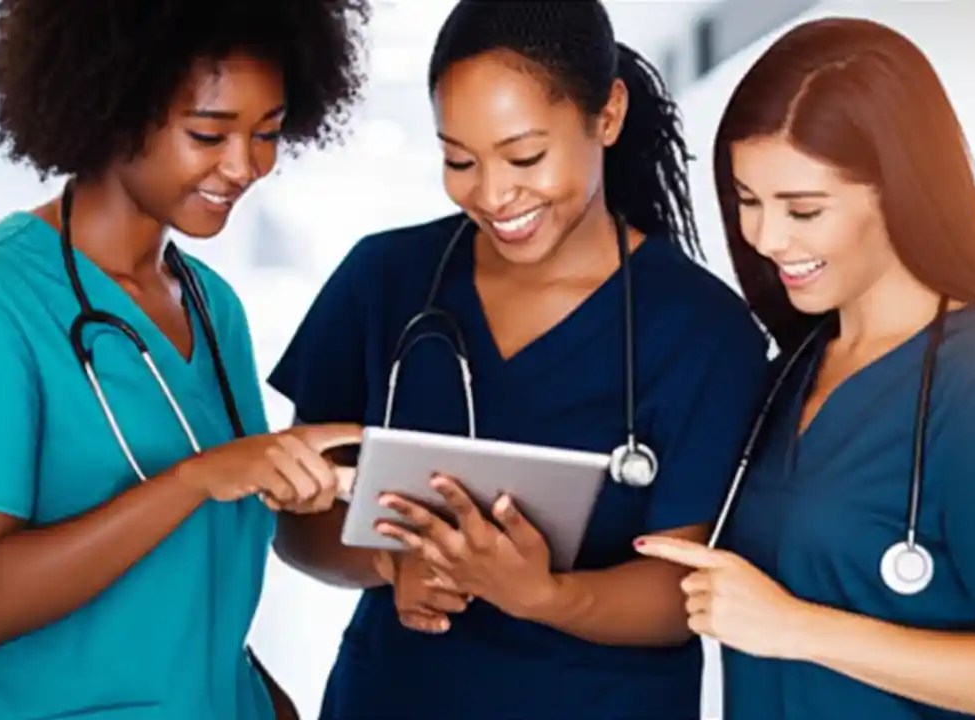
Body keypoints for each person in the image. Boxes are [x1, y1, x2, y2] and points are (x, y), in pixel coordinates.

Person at [266, 2, 768, 718]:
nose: (494, 195)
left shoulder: (703, 331)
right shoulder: (385, 281)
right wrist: (389, 564)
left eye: (525, 156)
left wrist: (544, 595)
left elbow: (681, 591)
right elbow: (299, 521)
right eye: (459, 160)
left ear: (609, 114)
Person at [0, 2, 369, 719]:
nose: (245, 166)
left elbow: (197, 604)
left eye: (268, 133)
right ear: (114, 108)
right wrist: (194, 480)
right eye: (207, 133)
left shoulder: (213, 308)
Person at [635, 16, 975, 720]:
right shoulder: (788, 373)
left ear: (899, 188)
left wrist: (797, 628)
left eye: (803, 208)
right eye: (748, 201)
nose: (765, 237)